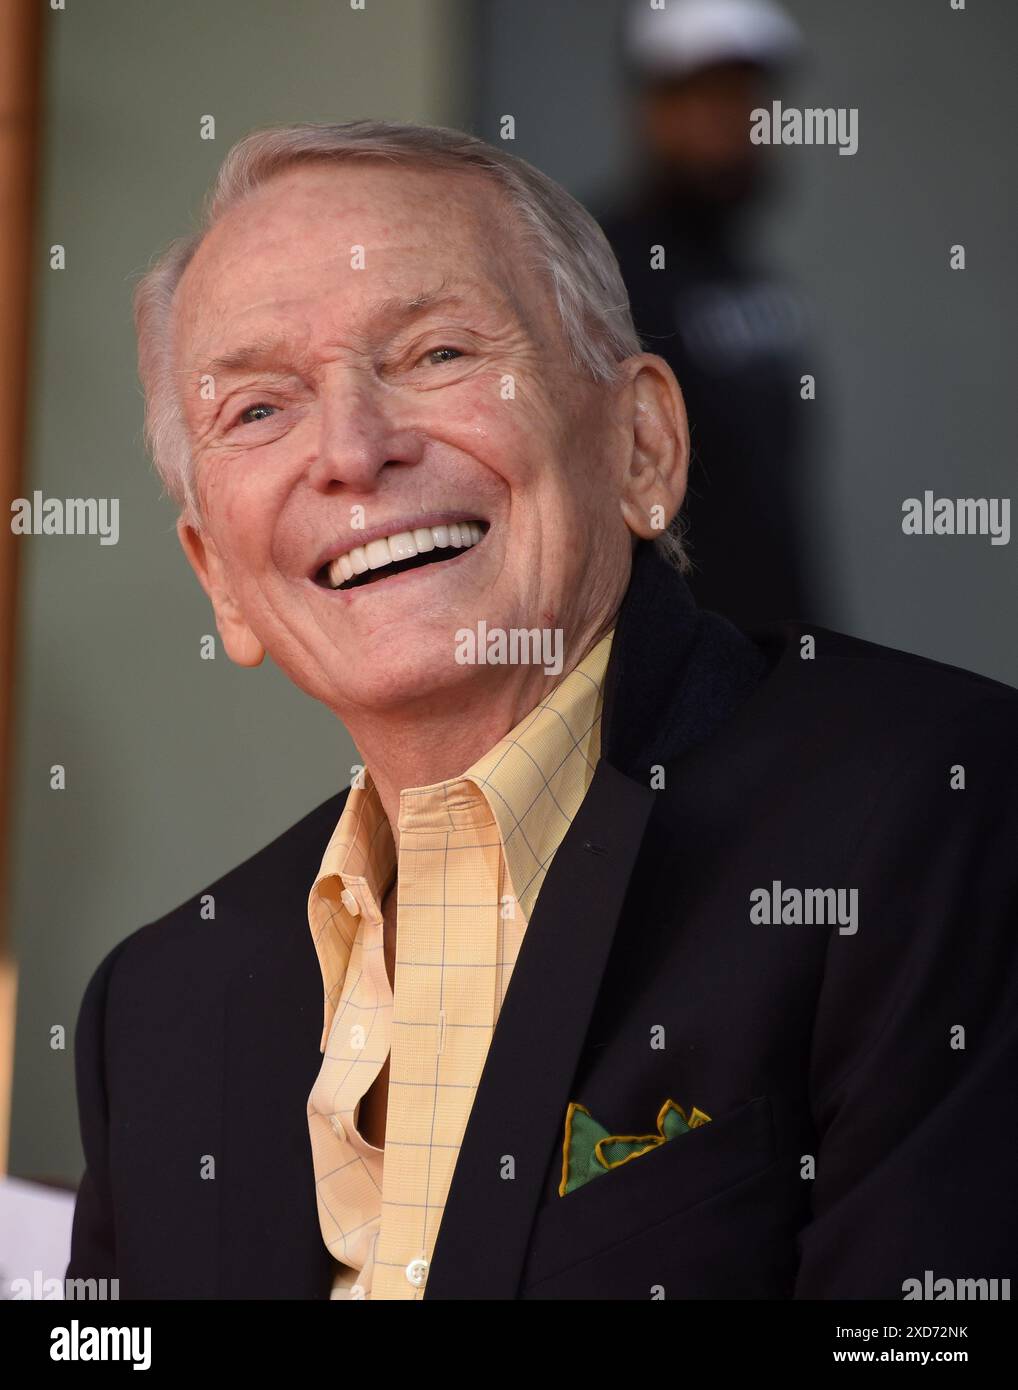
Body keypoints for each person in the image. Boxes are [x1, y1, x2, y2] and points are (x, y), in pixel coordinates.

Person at [67, 120, 1018, 1300]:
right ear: (221, 578)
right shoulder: (155, 1008)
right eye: (258, 409)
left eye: (436, 352)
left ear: (641, 445)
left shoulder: (935, 810)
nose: (353, 452)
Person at [597, 0, 815, 625]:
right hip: (683, 681)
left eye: (750, 96)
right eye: (708, 96)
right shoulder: (599, 270)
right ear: (652, 107)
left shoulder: (752, 272)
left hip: (781, 672)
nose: (738, 122)